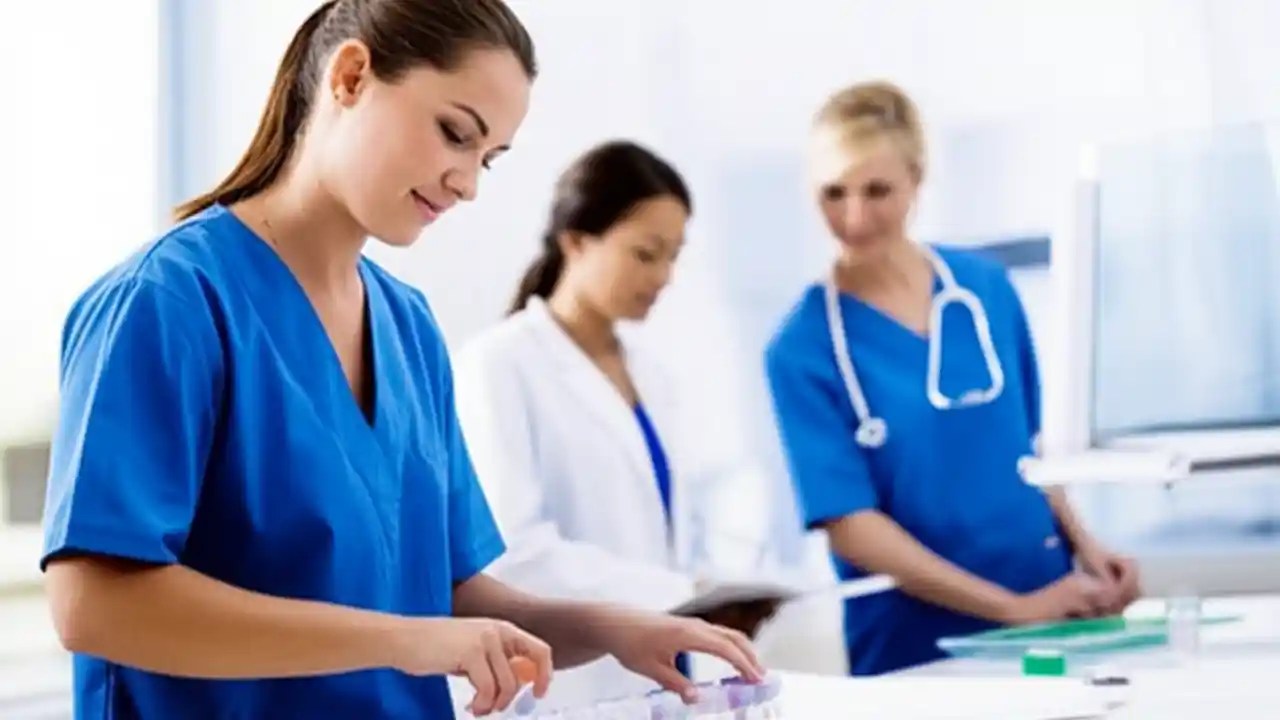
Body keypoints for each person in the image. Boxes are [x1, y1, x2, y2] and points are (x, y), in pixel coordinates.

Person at [38, 3, 763, 718]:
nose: (467, 183)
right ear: (351, 77)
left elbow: (448, 595)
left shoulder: (408, 327)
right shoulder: (168, 303)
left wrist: (609, 627)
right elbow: (94, 604)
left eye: (489, 159)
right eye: (455, 134)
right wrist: (400, 641)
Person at [763, 80, 1141, 676]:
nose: (853, 217)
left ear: (917, 178)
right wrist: (1014, 609)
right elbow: (852, 529)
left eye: (877, 190)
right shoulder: (802, 348)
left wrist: (1087, 551)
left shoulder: (985, 289)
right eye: (833, 193)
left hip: (1051, 613)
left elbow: (1032, 452)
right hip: (915, 646)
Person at [453, 140, 778, 708]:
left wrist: (719, 592)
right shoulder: (499, 366)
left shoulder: (653, 377)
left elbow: (662, 536)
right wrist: (681, 596)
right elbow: (512, 550)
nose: (664, 276)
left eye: (674, 255)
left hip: (660, 673)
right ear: (576, 241)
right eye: (645, 253)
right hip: (570, 680)